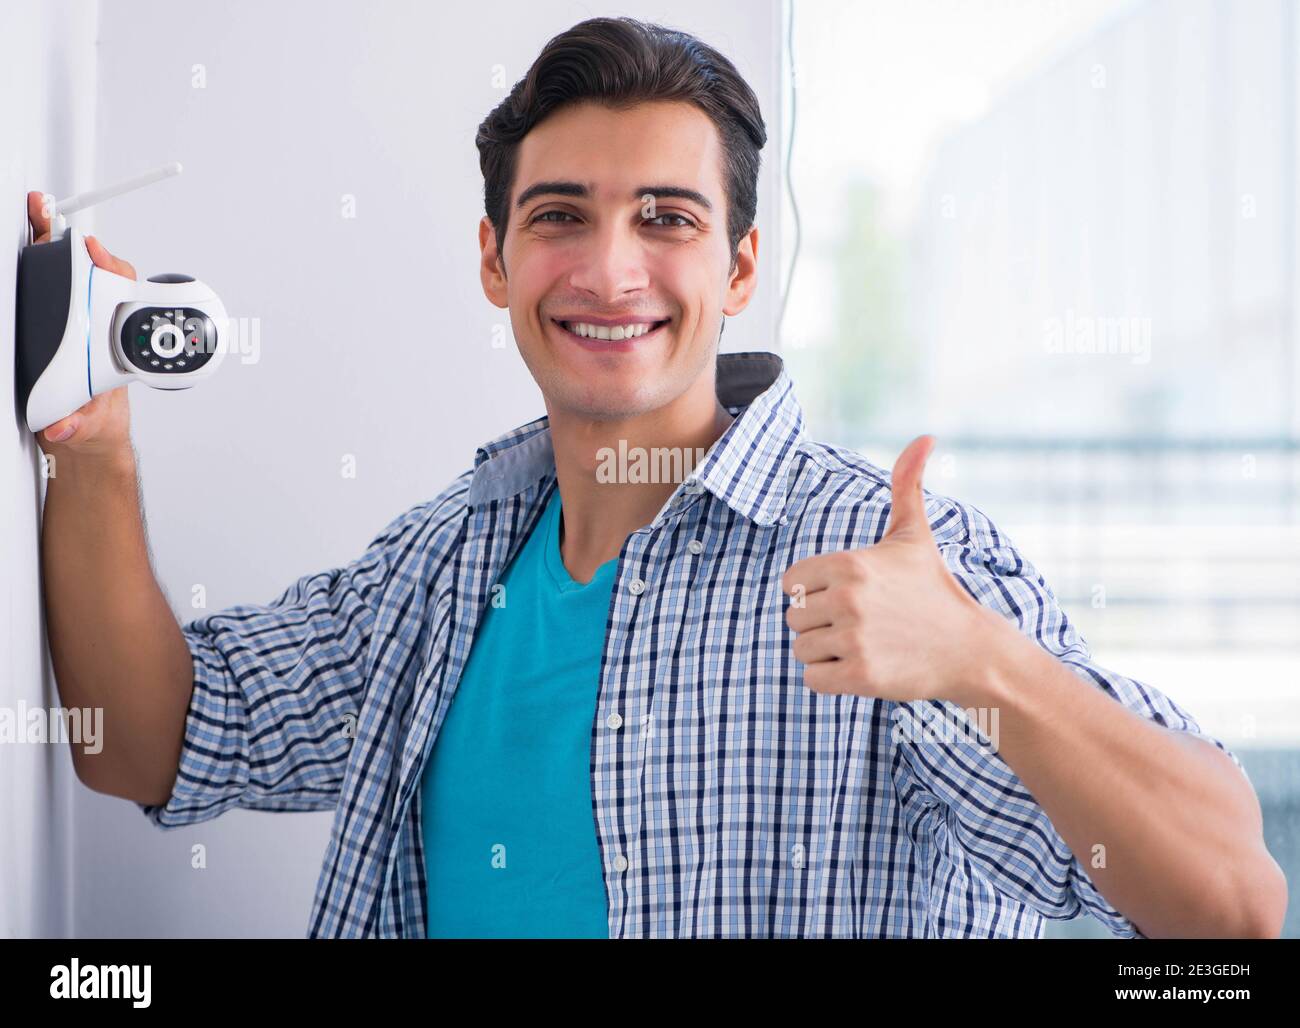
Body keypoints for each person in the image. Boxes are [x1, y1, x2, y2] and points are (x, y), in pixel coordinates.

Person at [37, 15, 1285, 939]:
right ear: (496, 257)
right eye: (561, 215)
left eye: (667, 219)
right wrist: (94, 443)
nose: (610, 270)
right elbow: (151, 740)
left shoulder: (894, 563)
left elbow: (1230, 905)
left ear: (740, 267)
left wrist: (976, 657)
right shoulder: (438, 567)